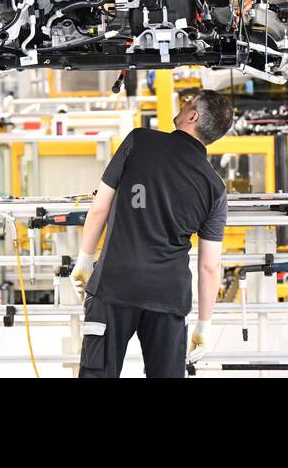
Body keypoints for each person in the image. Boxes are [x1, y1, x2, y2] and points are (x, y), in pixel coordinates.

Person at [69, 88, 233, 378]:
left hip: (113, 285)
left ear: (192, 116)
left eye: (188, 103)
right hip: (168, 297)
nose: (183, 105)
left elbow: (99, 209)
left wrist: (84, 261)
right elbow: (209, 266)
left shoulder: (139, 140)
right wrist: (204, 325)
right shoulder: (214, 187)